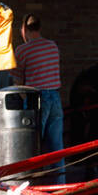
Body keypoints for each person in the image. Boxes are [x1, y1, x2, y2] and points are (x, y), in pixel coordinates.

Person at [13, 13, 64, 182]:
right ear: (39, 28)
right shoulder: (53, 46)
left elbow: (18, 81)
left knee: (32, 145)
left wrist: (25, 100)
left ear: (24, 30)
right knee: (56, 146)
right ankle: (60, 188)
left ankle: (33, 185)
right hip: (55, 96)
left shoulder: (22, 50)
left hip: (36, 98)